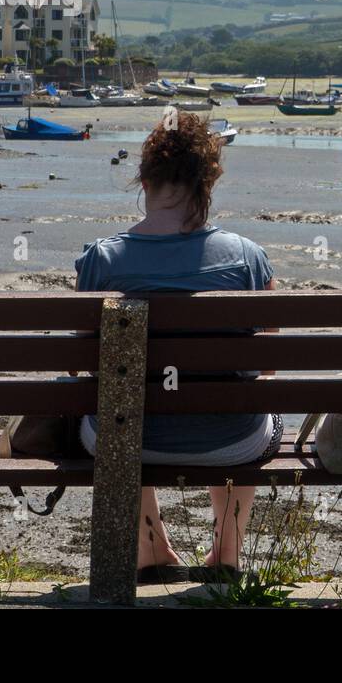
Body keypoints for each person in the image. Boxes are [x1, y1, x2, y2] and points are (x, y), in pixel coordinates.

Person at [75, 112, 281, 584]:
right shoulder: (247, 257)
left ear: (144, 180)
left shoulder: (102, 259)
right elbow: (267, 363)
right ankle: (226, 552)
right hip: (233, 442)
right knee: (242, 399)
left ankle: (150, 547)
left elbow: (89, 367)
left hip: (128, 441)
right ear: (208, 182)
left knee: (124, 405)